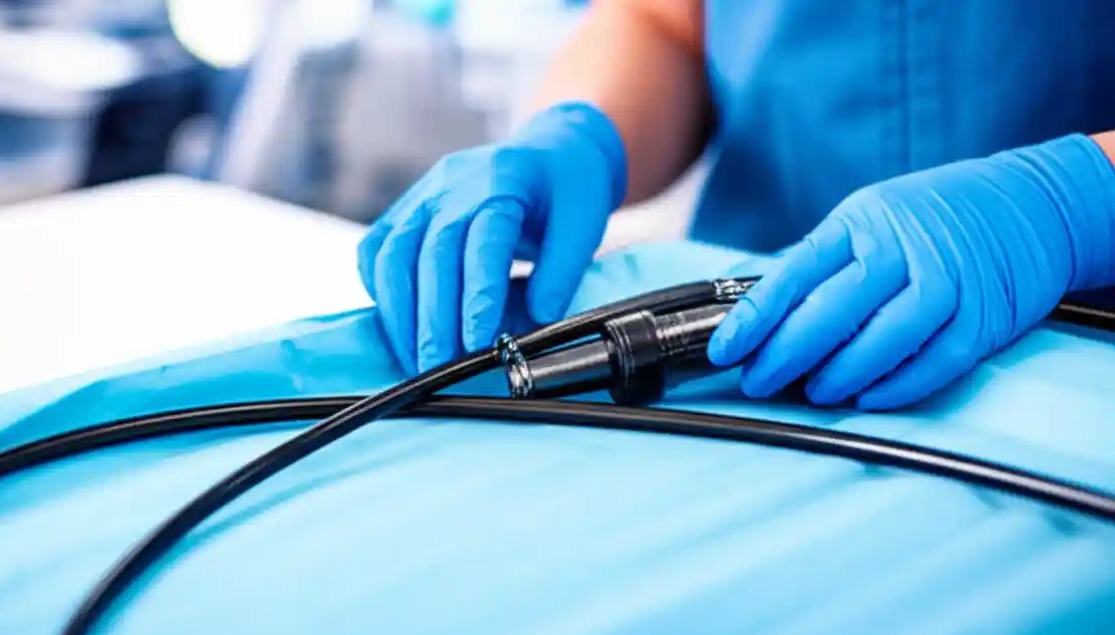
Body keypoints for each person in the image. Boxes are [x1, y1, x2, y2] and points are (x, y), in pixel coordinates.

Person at [356, 0, 1115, 409]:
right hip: (742, 362)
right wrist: (580, 132)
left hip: (1074, 377)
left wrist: (1068, 204)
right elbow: (667, 20)